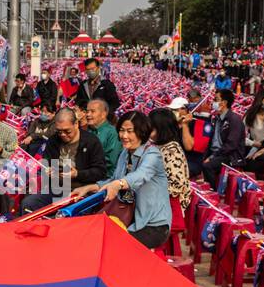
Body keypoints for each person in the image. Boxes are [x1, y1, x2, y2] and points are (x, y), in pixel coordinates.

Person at [70, 110, 171, 249]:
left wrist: (118, 184)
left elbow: (140, 175)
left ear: (141, 132)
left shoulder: (153, 154)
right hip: (128, 219)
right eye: (122, 131)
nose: (124, 136)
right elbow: (114, 179)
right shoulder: (125, 153)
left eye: (130, 131)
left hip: (152, 224)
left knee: (112, 246)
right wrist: (91, 187)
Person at [21, 107, 107, 214]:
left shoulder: (91, 141)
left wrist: (77, 174)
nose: (63, 135)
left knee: (72, 215)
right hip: (58, 188)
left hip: (82, 191)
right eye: (59, 131)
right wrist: (48, 169)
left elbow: (100, 172)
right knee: (28, 204)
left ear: (76, 124)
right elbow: (47, 161)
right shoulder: (53, 140)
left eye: (67, 131)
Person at [149, 107, 192, 226]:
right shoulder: (159, 146)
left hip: (166, 209)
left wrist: (148, 191)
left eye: (151, 128)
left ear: (161, 129)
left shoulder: (172, 151)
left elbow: (176, 186)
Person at [199, 88, 247, 188]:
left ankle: (213, 192)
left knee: (207, 166)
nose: (213, 102)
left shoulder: (234, 120)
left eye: (216, 99)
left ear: (224, 103)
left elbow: (231, 145)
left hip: (230, 156)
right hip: (217, 153)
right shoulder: (216, 118)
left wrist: (212, 157)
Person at [86, 97, 122, 175]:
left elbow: (110, 161)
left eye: (92, 111)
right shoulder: (87, 130)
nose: (88, 114)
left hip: (104, 178)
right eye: (87, 111)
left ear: (103, 114)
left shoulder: (112, 132)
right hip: (86, 173)